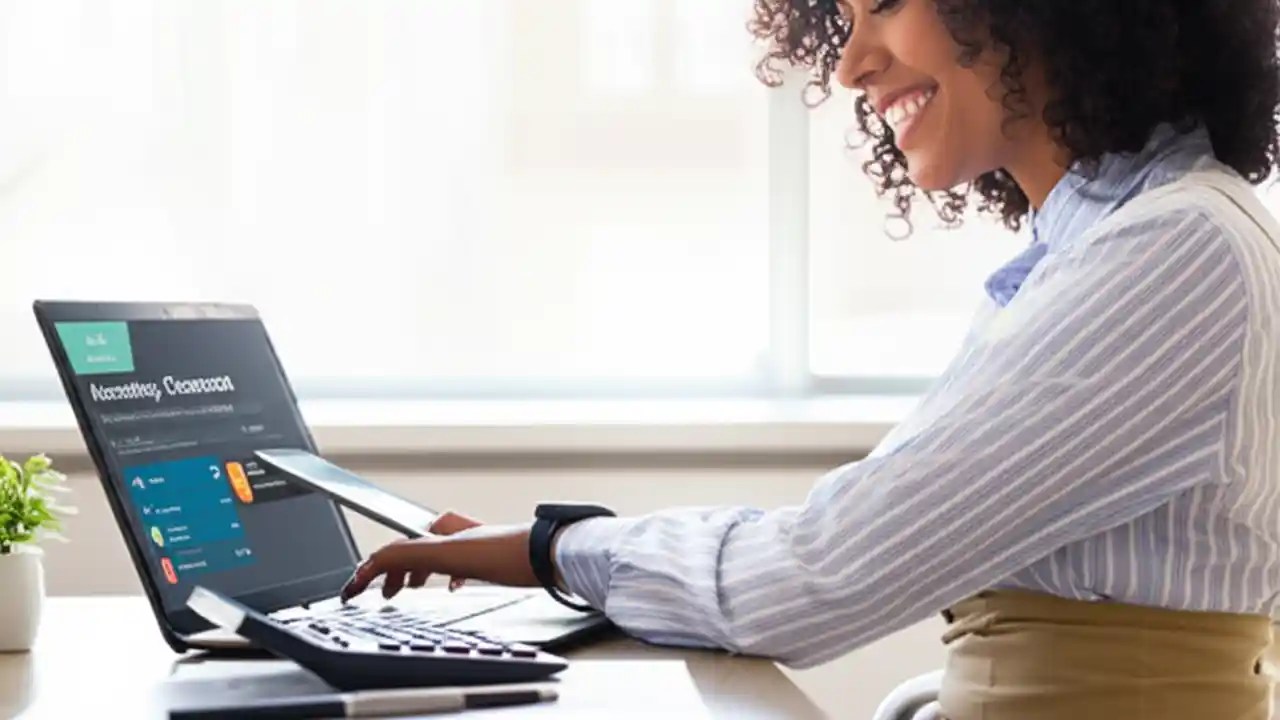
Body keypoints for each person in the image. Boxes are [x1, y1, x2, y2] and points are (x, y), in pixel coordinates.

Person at [341, 1, 1280, 717]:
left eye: (884, 6)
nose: (849, 64)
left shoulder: (1171, 250)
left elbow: (807, 580)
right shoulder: (1122, 241)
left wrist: (556, 548)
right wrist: (557, 553)